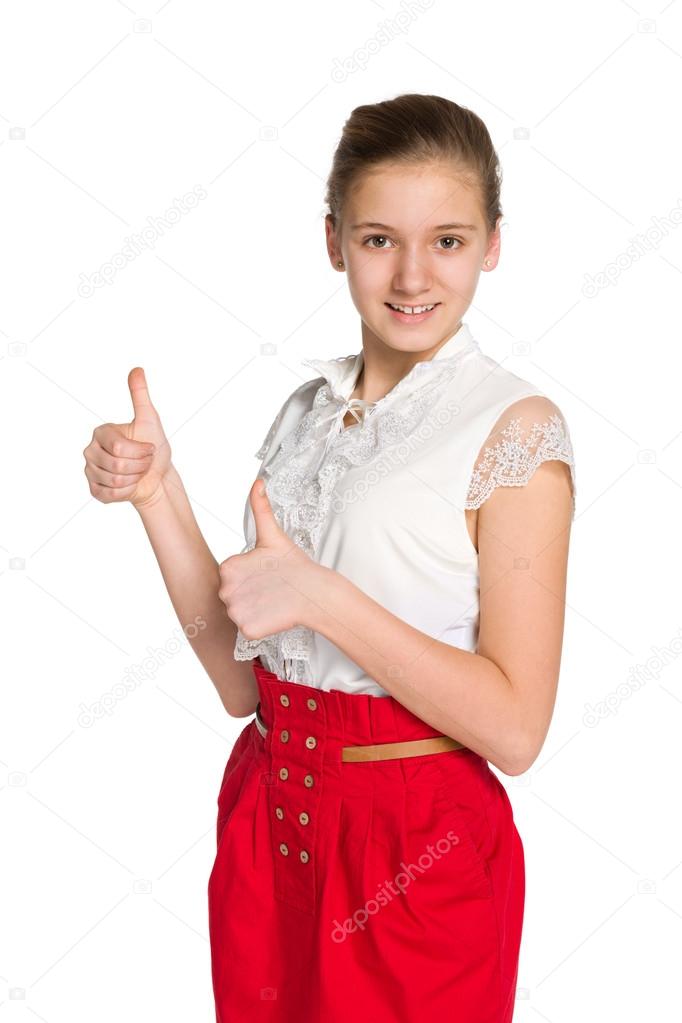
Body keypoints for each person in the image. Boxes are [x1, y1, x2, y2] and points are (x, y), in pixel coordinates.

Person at [83, 93, 576, 1022]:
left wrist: (323, 596)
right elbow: (242, 683)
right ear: (334, 240)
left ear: (494, 244)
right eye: (380, 238)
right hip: (272, 813)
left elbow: (516, 730)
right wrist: (159, 495)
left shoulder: (514, 430)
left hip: (414, 844)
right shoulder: (308, 416)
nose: (413, 274)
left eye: (451, 240)